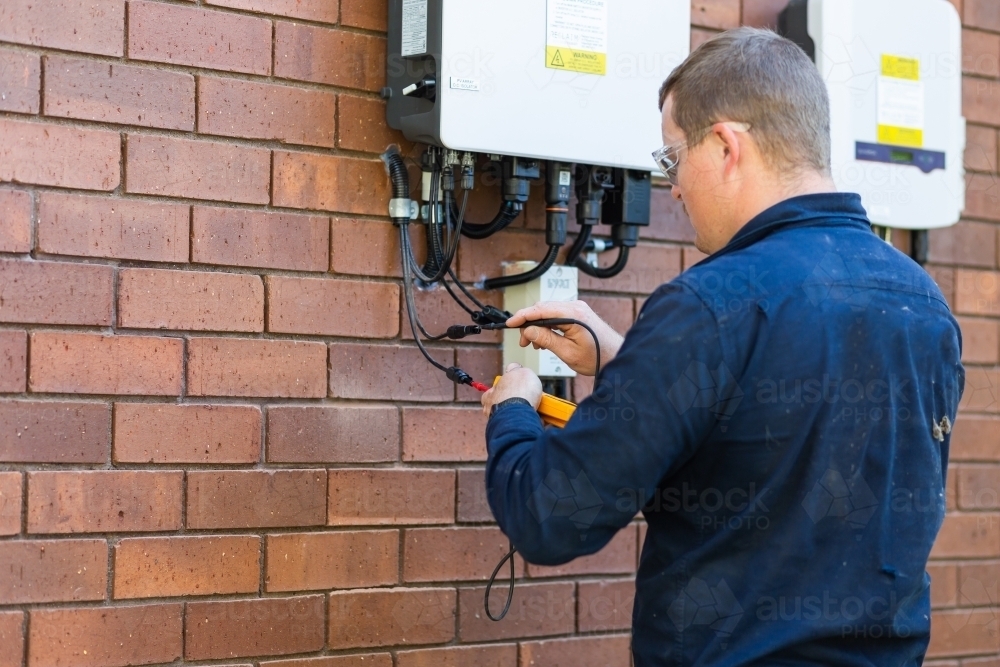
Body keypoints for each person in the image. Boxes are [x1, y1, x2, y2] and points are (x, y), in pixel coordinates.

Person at [481, 27, 965, 666]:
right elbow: (771, 452)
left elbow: (549, 516)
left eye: (672, 159)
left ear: (726, 144)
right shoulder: (922, 304)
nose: (674, 187)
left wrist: (514, 409)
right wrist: (630, 363)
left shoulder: (709, 305)